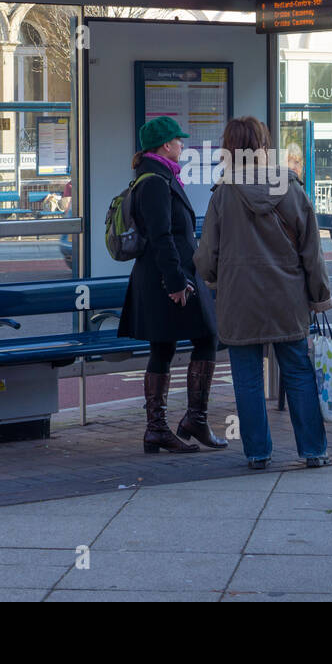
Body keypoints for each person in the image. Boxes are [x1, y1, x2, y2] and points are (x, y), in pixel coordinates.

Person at [195, 116, 332, 469]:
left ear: (229, 147)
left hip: (239, 301)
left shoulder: (223, 194)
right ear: (263, 146)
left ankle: (258, 452)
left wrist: (214, 280)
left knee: (247, 378)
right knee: (299, 373)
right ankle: (313, 450)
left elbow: (206, 254)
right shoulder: (291, 188)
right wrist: (319, 296)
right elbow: (311, 251)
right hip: (286, 300)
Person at [118, 116, 223, 454]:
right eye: (178, 141)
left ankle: (163, 428)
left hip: (162, 276)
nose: (182, 145)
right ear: (165, 145)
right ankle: (184, 421)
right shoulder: (155, 182)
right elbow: (162, 236)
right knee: (206, 336)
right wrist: (176, 281)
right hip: (167, 277)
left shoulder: (157, 177)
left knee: (164, 346)